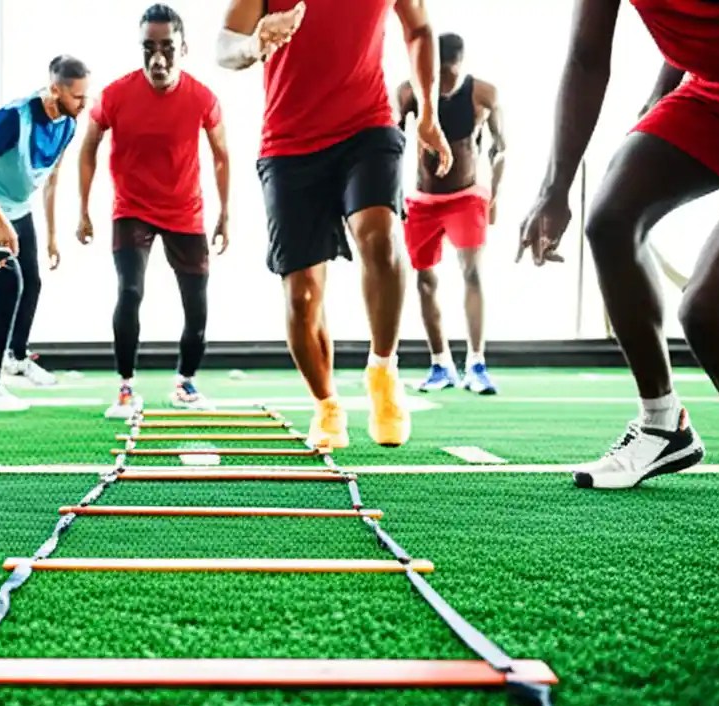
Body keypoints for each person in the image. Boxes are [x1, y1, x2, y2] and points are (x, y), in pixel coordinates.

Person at [519, 0, 719, 489]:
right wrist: (555, 188)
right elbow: (586, 55)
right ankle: (662, 424)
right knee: (611, 221)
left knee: (708, 313)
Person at [216, 0, 452, 450]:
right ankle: (326, 405)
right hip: (288, 144)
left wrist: (428, 112)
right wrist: (253, 43)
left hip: (366, 127)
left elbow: (419, 28)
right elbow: (223, 45)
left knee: (380, 237)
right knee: (302, 295)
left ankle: (383, 370)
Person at [78, 3, 231, 418]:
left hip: (185, 211)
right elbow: (88, 148)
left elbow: (221, 155)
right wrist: (83, 209)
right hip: (132, 209)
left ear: (184, 47)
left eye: (167, 47)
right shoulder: (115, 94)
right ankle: (126, 387)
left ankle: (186, 383)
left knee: (196, 305)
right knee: (130, 292)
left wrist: (225, 213)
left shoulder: (202, 97)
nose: (158, 57)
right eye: (149, 47)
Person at [0, 56, 88, 412]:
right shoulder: (14, 118)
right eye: (77, 96)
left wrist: (51, 236)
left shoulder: (68, 123)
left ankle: (15, 357)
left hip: (18, 209)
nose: (84, 103)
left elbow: (50, 179)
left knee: (32, 280)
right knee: (7, 284)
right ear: (56, 90)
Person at [396, 32, 506, 395]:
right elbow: (391, 144)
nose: (443, 83)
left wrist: (494, 197)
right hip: (423, 201)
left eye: (449, 75)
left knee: (472, 272)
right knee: (425, 281)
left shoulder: (483, 94)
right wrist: (391, 196)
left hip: (466, 197)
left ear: (460, 66)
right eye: (436, 74)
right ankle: (440, 363)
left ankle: (476, 362)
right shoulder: (410, 92)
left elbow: (500, 148)